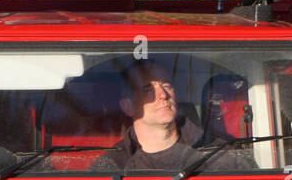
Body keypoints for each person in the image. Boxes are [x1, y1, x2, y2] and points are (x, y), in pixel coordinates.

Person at [90, 60, 254, 173]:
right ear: (128, 106)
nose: (162, 94)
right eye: (148, 90)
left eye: (167, 85)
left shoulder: (218, 153)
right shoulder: (111, 166)